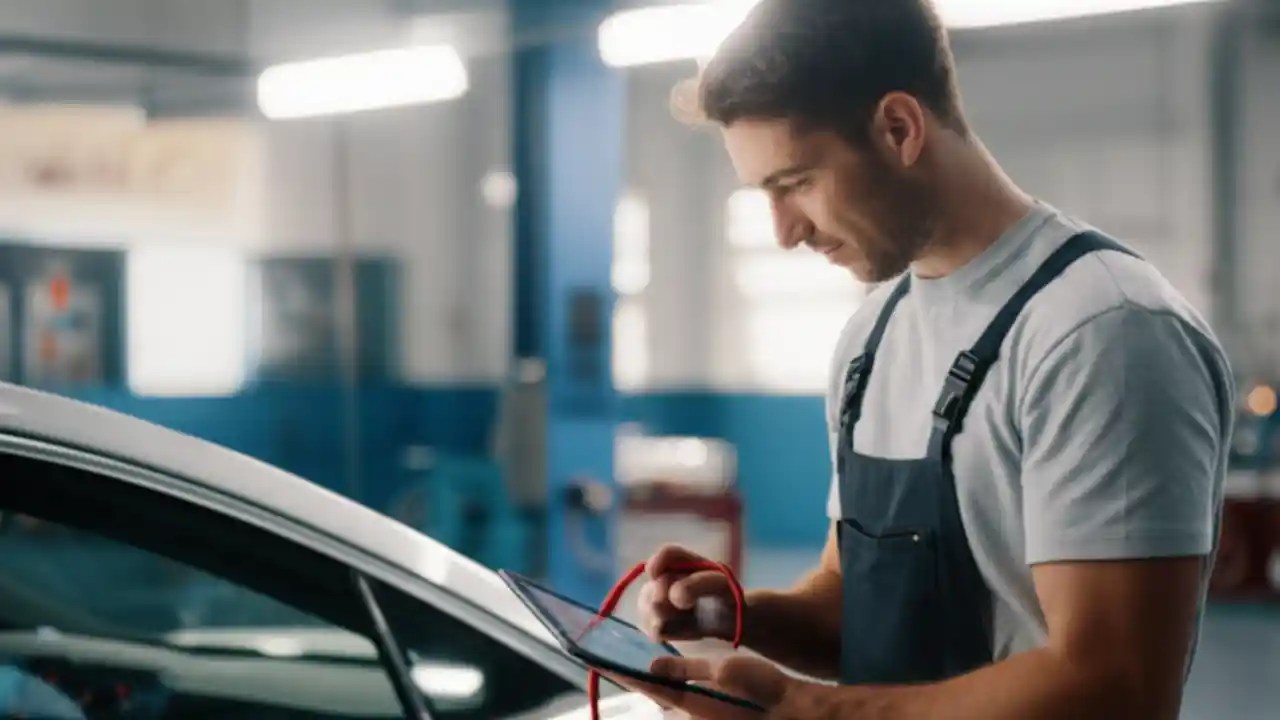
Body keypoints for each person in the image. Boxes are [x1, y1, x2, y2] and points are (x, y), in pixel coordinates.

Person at [620, 0, 1236, 717]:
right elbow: (858, 610)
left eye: (797, 184)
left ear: (898, 128)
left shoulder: (1103, 331)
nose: (785, 232)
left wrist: (807, 710)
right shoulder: (871, 339)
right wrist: (738, 616)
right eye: (767, 195)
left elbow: (1114, 683)